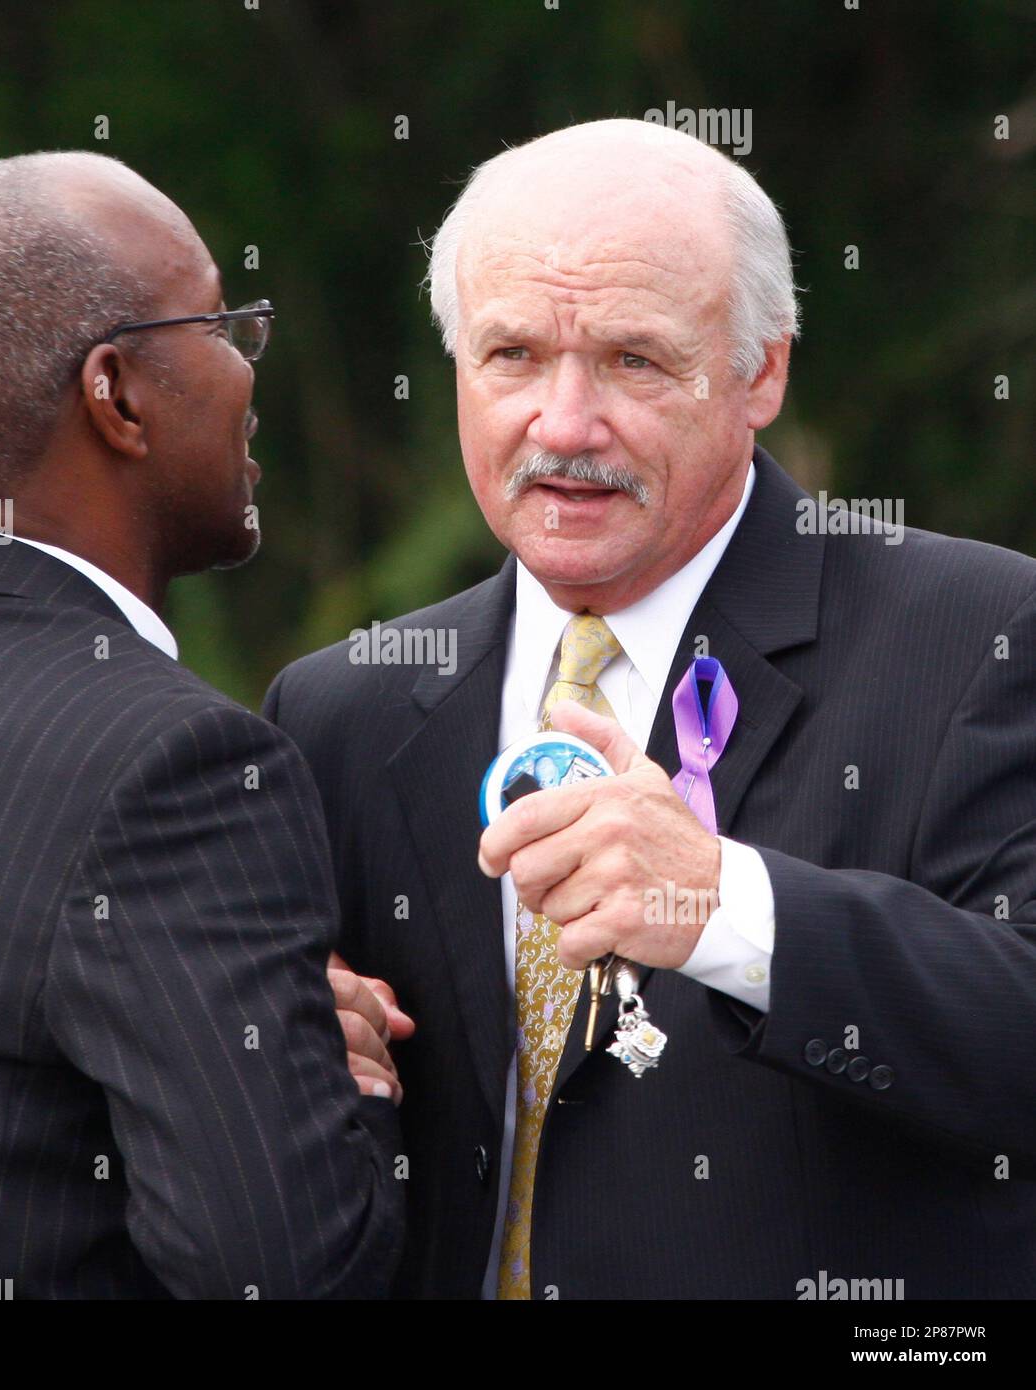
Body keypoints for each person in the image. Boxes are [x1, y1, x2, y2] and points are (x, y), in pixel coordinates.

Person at [264, 118, 1036, 1299]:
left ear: (761, 371)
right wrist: (285, 1037)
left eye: (632, 359)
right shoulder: (337, 709)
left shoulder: (975, 629)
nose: (564, 425)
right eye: (512, 354)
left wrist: (724, 904)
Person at [0, 152, 402, 1299]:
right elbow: (277, 1263)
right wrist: (332, 1080)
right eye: (223, 325)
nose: (250, 370)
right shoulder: (180, 764)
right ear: (115, 394)